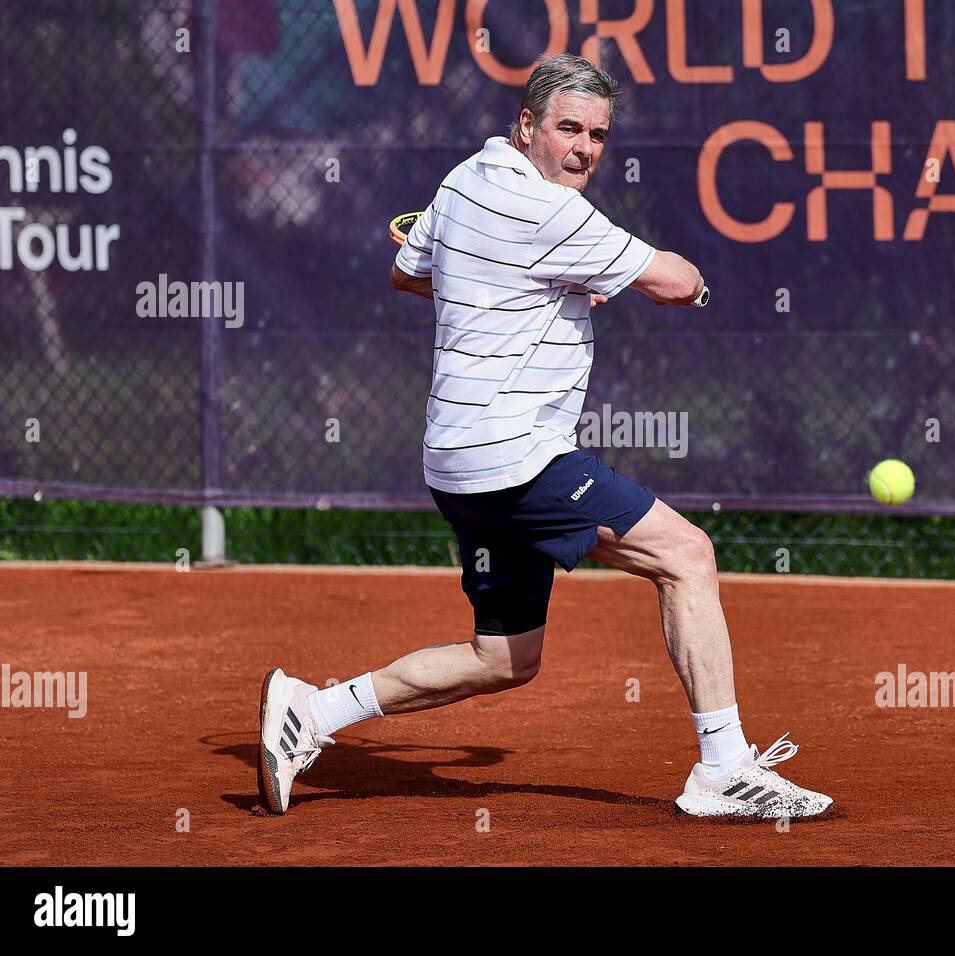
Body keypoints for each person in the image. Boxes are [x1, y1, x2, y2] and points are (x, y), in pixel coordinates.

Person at [259, 54, 831, 820]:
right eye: (569, 128)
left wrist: (518, 284)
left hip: (455, 463)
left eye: (598, 134)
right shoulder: (556, 214)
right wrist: (695, 284)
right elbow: (673, 282)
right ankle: (725, 769)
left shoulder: (462, 181)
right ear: (527, 125)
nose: (584, 148)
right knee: (686, 554)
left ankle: (310, 711)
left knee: (504, 658)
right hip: (515, 457)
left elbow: (407, 272)